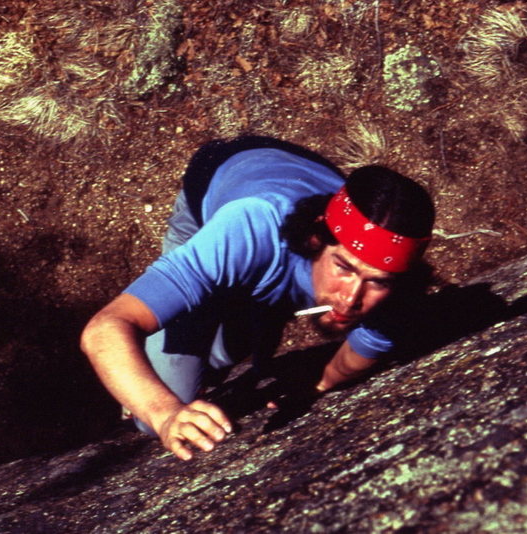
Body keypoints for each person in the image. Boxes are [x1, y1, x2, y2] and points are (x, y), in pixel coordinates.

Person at [80, 138, 435, 461]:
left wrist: (317, 387)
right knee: (151, 415)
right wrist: (165, 412)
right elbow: (105, 328)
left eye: (377, 282)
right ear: (315, 238)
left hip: (298, 183)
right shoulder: (250, 229)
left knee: (231, 348)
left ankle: (227, 343)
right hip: (221, 174)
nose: (351, 298)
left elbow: (356, 355)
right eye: (343, 267)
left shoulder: (397, 286)